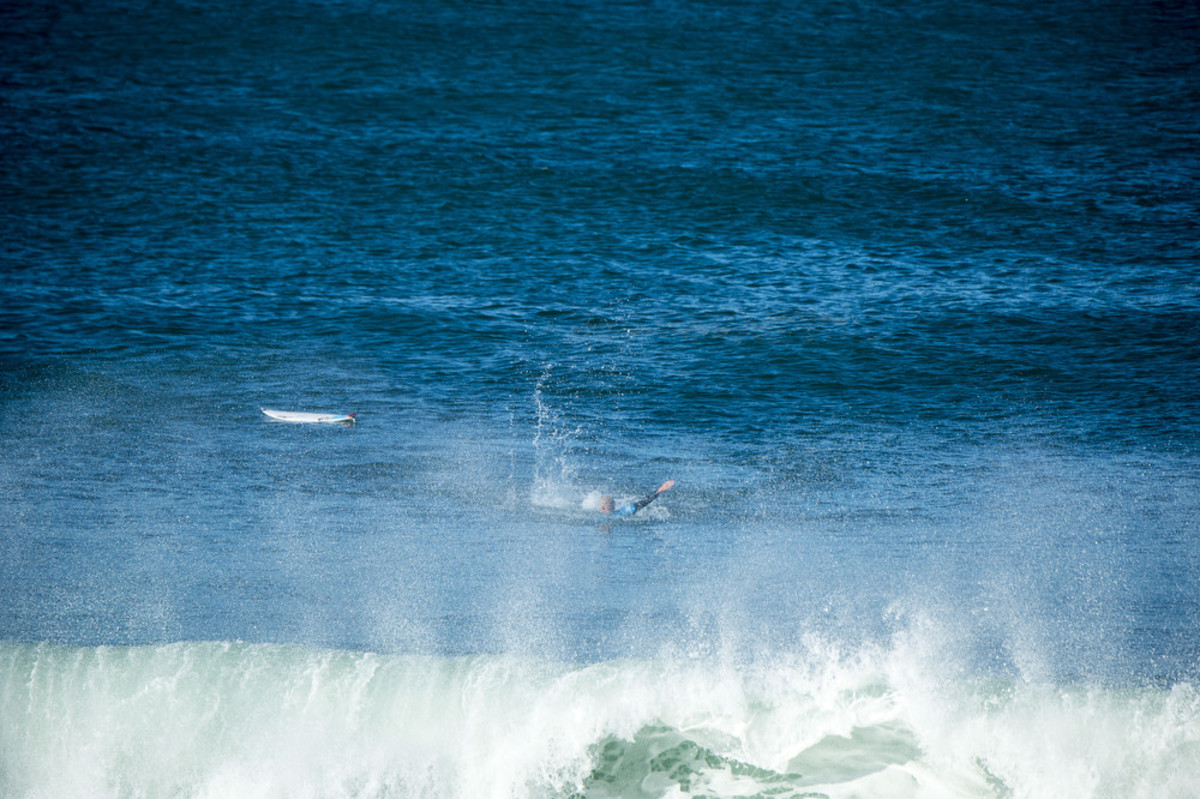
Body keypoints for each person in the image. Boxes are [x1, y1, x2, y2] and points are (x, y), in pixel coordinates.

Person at [600, 480, 674, 516]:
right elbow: (642, 503)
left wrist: (658, 491)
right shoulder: (620, 513)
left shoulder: (620, 513)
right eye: (612, 505)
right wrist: (659, 491)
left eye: (613, 505)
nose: (613, 507)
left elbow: (641, 503)